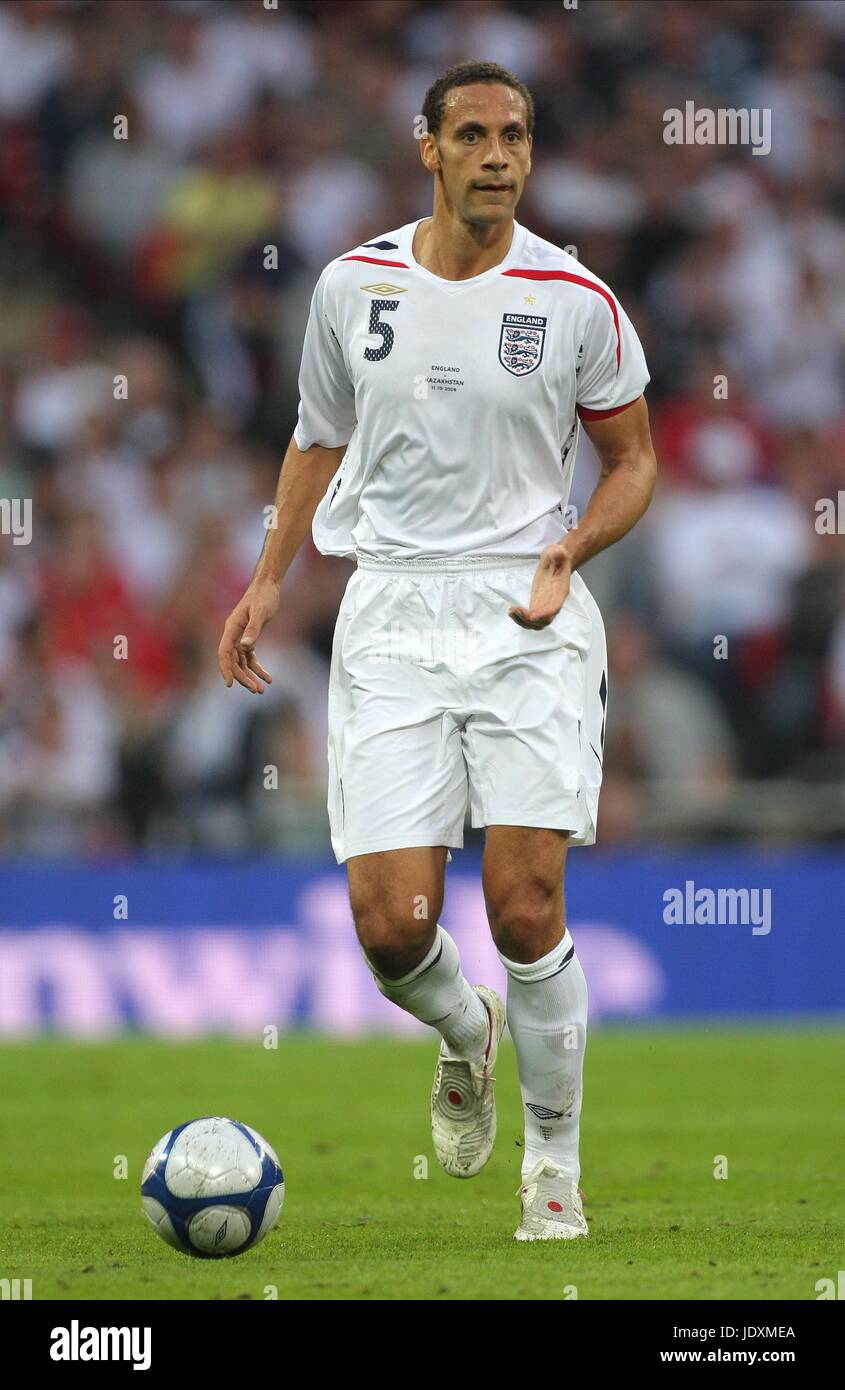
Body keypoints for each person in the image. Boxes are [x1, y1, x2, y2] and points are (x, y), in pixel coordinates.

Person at [218, 61, 657, 1241]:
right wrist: (268, 578)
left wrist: (571, 549)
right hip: (394, 611)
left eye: (514, 134)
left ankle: (552, 1170)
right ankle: (466, 1034)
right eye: (472, 134)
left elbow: (632, 462)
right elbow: (318, 436)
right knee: (391, 926)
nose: (498, 155)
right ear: (429, 149)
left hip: (526, 609)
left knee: (522, 906)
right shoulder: (350, 285)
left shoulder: (574, 298)